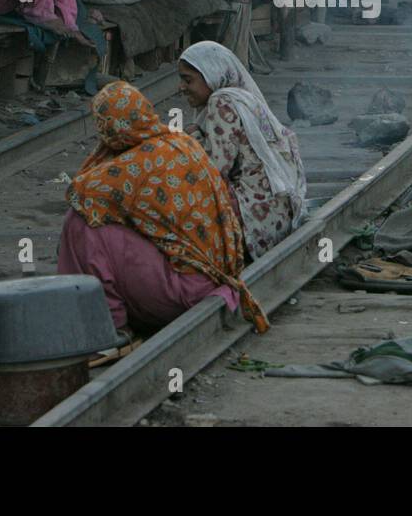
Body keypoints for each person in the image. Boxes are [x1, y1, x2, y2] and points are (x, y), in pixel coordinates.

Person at [58, 80, 268, 334]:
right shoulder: (181, 141)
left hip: (181, 291)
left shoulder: (135, 163)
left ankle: (105, 325)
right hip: (213, 280)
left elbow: (79, 193)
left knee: (81, 222)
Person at [177, 40, 307, 259]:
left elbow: (213, 171)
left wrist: (191, 138)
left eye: (188, 80)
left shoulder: (221, 102)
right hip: (278, 214)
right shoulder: (244, 97)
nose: (180, 87)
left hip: (255, 221)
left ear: (212, 75)